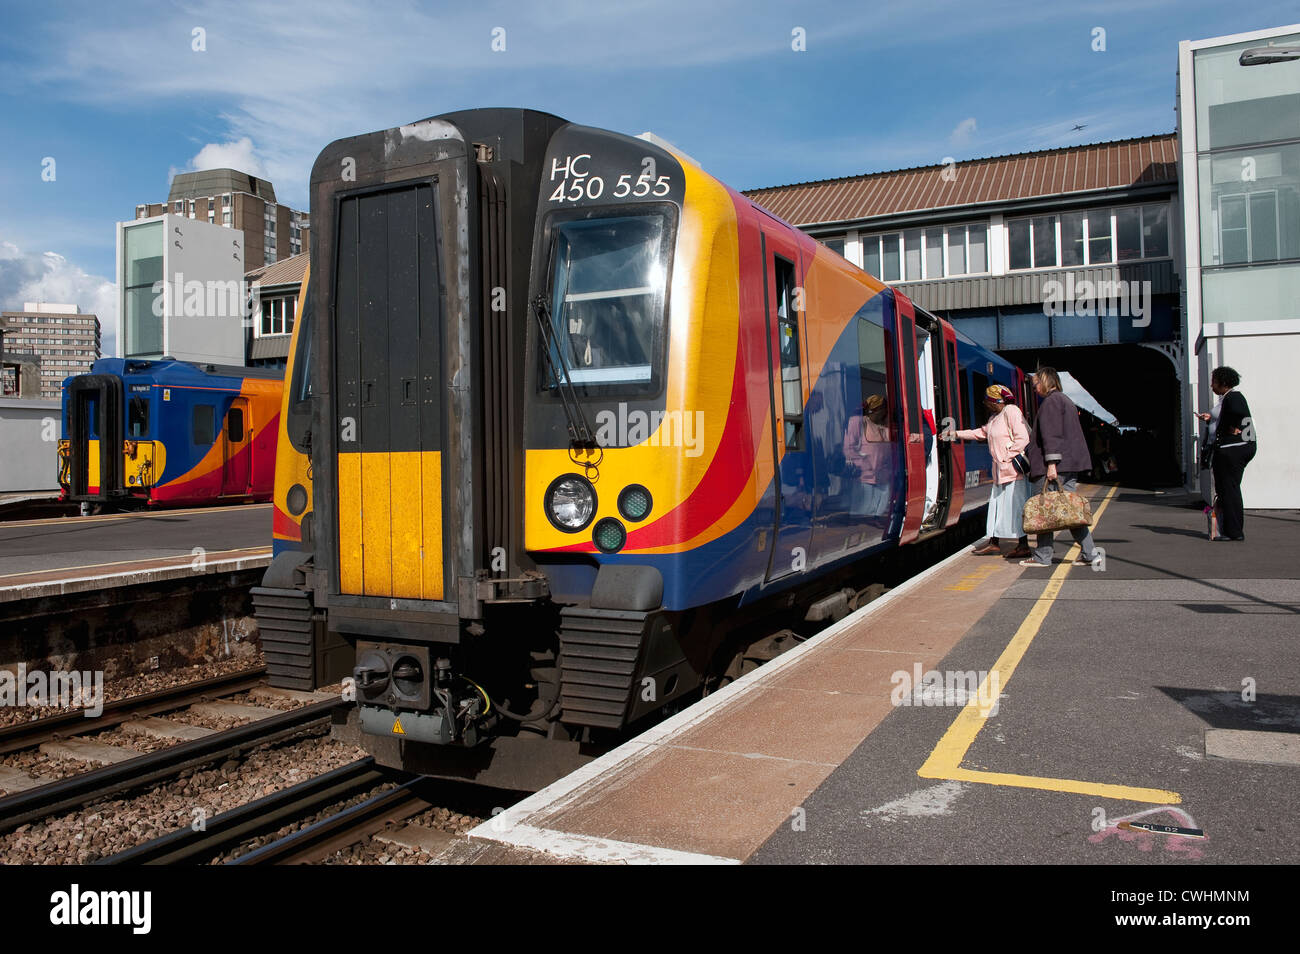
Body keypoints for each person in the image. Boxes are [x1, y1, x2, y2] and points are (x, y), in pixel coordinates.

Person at [1021, 367, 1101, 567]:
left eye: (1036, 383)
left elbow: (1052, 436)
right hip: (1067, 466)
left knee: (1045, 510)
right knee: (1070, 511)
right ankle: (1090, 554)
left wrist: (1051, 464)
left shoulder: (1051, 402)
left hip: (1055, 467)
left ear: (1046, 381)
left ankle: (1042, 557)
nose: (1035, 388)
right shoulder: (1065, 401)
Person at [942, 384, 1031, 558]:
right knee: (997, 507)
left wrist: (1007, 457)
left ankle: (1023, 545)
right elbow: (979, 433)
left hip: (1013, 472)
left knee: (1017, 506)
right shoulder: (994, 418)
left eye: (987, 401)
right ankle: (994, 543)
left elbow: (1023, 437)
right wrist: (954, 434)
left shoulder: (1011, 411)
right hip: (999, 473)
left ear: (996, 401)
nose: (985, 404)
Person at [1200, 366, 1256, 541]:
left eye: (1213, 381)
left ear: (1222, 382)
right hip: (1232, 449)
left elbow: (1239, 414)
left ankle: (1234, 532)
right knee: (1228, 489)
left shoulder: (1234, 397)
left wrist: (1233, 427)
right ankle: (1231, 529)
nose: (1211, 386)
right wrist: (1212, 420)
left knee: (1229, 490)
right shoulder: (1227, 398)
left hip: (1232, 450)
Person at [844, 394, 893, 521]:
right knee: (863, 509)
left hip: (883, 474)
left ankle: (875, 522)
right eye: (883, 410)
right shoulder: (858, 422)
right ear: (875, 410)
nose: (885, 413)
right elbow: (849, 447)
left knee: (880, 508)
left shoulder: (885, 424)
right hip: (864, 476)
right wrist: (863, 464)